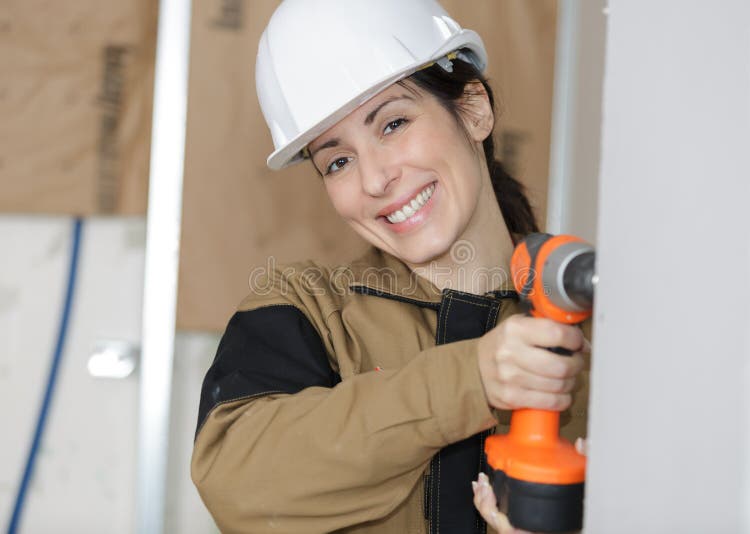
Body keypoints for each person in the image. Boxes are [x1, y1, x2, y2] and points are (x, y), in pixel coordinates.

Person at [191, 1, 590, 533]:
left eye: (393, 123)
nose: (375, 179)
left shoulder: (580, 306)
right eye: (337, 160)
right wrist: (471, 379)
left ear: (473, 110)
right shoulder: (307, 309)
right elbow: (236, 481)